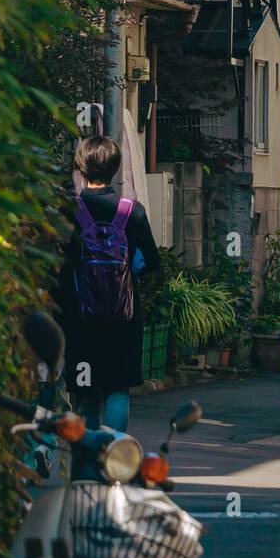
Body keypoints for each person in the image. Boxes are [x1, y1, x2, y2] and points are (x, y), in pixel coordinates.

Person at [58, 135, 160, 432]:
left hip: (80, 320)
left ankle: (89, 456)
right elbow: (153, 261)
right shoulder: (132, 212)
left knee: (86, 392)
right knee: (117, 389)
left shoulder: (69, 211)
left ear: (81, 167)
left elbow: (59, 266)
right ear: (114, 168)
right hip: (123, 319)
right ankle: (114, 453)